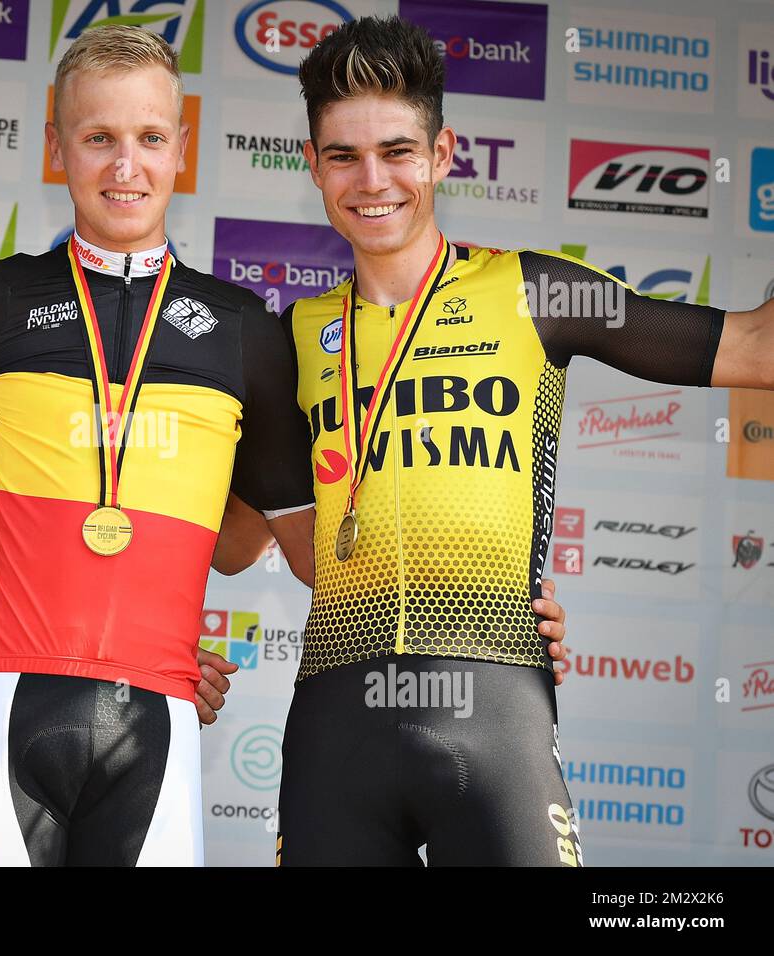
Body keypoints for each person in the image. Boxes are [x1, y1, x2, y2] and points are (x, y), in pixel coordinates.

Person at [0, 26, 568, 866]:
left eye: (150, 139)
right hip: (2, 697)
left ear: (182, 148)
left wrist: (496, 611)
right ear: (55, 147)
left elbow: (310, 549)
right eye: (97, 138)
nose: (125, 166)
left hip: (162, 714)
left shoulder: (245, 330)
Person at [245, 15, 774, 866]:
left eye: (398, 151)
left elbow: (753, 348)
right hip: (334, 727)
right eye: (342, 155)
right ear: (312, 165)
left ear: (445, 152)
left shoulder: (536, 293)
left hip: (496, 709)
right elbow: (267, 545)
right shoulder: (287, 339)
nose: (371, 179)